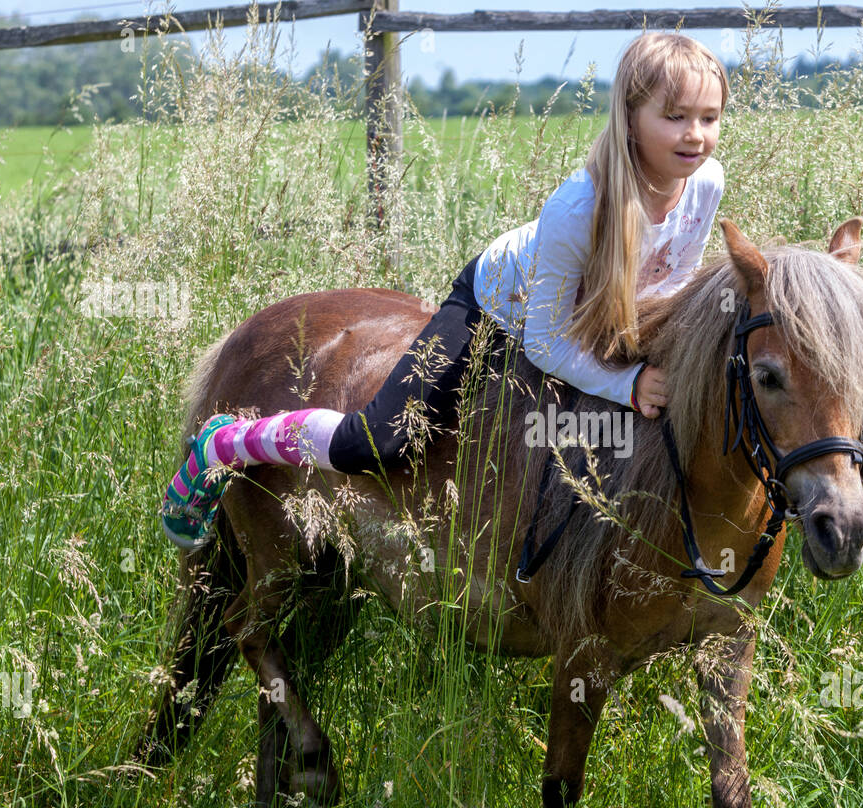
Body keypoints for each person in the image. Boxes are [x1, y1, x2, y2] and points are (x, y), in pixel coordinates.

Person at [161, 31, 728, 550]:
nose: (696, 135)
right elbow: (546, 343)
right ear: (630, 117)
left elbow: (674, 281)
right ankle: (227, 442)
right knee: (377, 445)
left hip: (599, 318)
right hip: (501, 309)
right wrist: (627, 385)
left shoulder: (706, 184)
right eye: (675, 116)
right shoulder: (580, 208)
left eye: (710, 117)